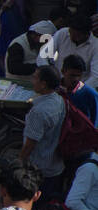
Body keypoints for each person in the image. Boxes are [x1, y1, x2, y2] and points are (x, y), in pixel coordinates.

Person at [20, 65, 69, 202]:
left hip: (39, 171)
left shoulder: (39, 112)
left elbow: (30, 145)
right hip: (56, 167)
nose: (32, 80)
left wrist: (19, 163)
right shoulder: (59, 101)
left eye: (35, 78)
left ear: (43, 84)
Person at [49, 16, 98, 88]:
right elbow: (43, 57)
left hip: (81, 87)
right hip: (56, 84)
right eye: (70, 33)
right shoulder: (62, 33)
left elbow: (96, 76)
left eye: (77, 35)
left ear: (87, 33)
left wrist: (79, 90)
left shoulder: (96, 45)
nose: (71, 37)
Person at [6, 20, 56, 85]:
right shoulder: (17, 45)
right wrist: (39, 67)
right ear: (35, 35)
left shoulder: (39, 44)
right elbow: (13, 68)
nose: (45, 42)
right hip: (17, 84)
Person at [61, 53, 98, 125]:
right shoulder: (54, 91)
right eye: (72, 75)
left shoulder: (91, 95)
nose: (76, 79)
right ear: (63, 71)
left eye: (79, 75)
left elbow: (94, 125)